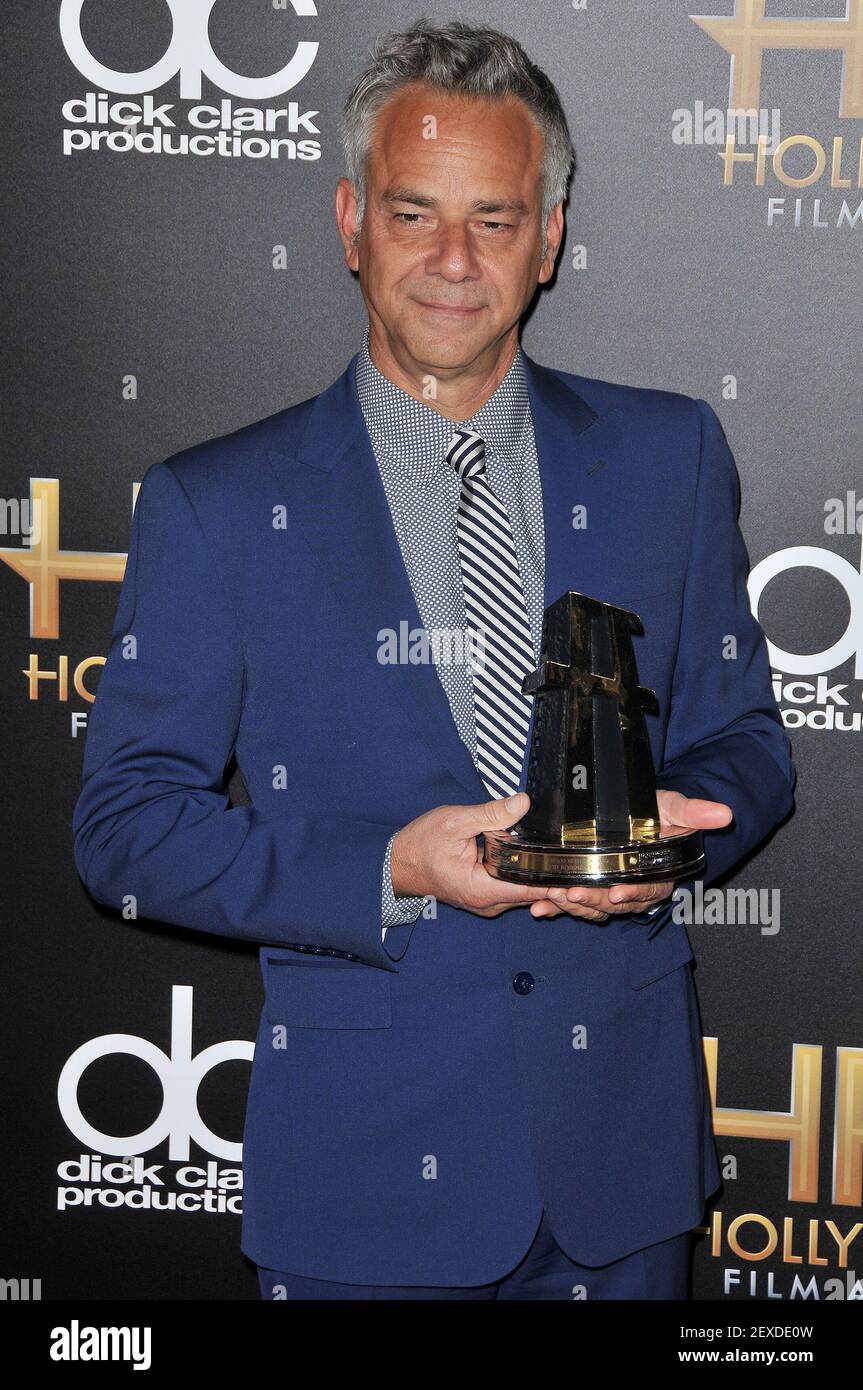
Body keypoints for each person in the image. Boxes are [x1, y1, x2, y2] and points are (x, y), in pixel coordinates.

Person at [73, 19, 795, 1300]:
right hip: (360, 1189)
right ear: (350, 221)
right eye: (414, 214)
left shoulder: (666, 458)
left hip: (620, 1183)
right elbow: (126, 829)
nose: (453, 262)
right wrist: (389, 872)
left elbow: (745, 743)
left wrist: (667, 845)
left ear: (552, 236)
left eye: (496, 219)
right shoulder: (217, 505)